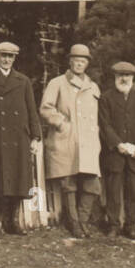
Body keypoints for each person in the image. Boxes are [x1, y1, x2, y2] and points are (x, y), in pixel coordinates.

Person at [0, 41, 43, 237]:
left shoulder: (23, 81)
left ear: (14, 58)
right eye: (3, 55)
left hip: (19, 137)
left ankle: (13, 221)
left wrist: (35, 136)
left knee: (18, 179)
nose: (6, 60)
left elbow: (32, 110)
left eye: (10, 56)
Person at [40, 43, 103, 238]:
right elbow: (45, 108)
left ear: (87, 64)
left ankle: (83, 221)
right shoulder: (57, 83)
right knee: (69, 183)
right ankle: (74, 223)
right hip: (67, 139)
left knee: (92, 184)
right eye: (76, 60)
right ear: (70, 62)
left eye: (83, 61)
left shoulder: (93, 86)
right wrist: (61, 123)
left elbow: (99, 114)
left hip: (88, 142)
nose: (79, 64)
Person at [98, 60, 135, 238]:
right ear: (115, 77)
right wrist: (118, 144)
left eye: (127, 75)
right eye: (120, 75)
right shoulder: (106, 98)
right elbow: (105, 125)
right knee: (113, 192)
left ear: (133, 77)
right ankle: (113, 225)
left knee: (133, 192)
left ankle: (131, 225)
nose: (124, 79)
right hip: (115, 153)